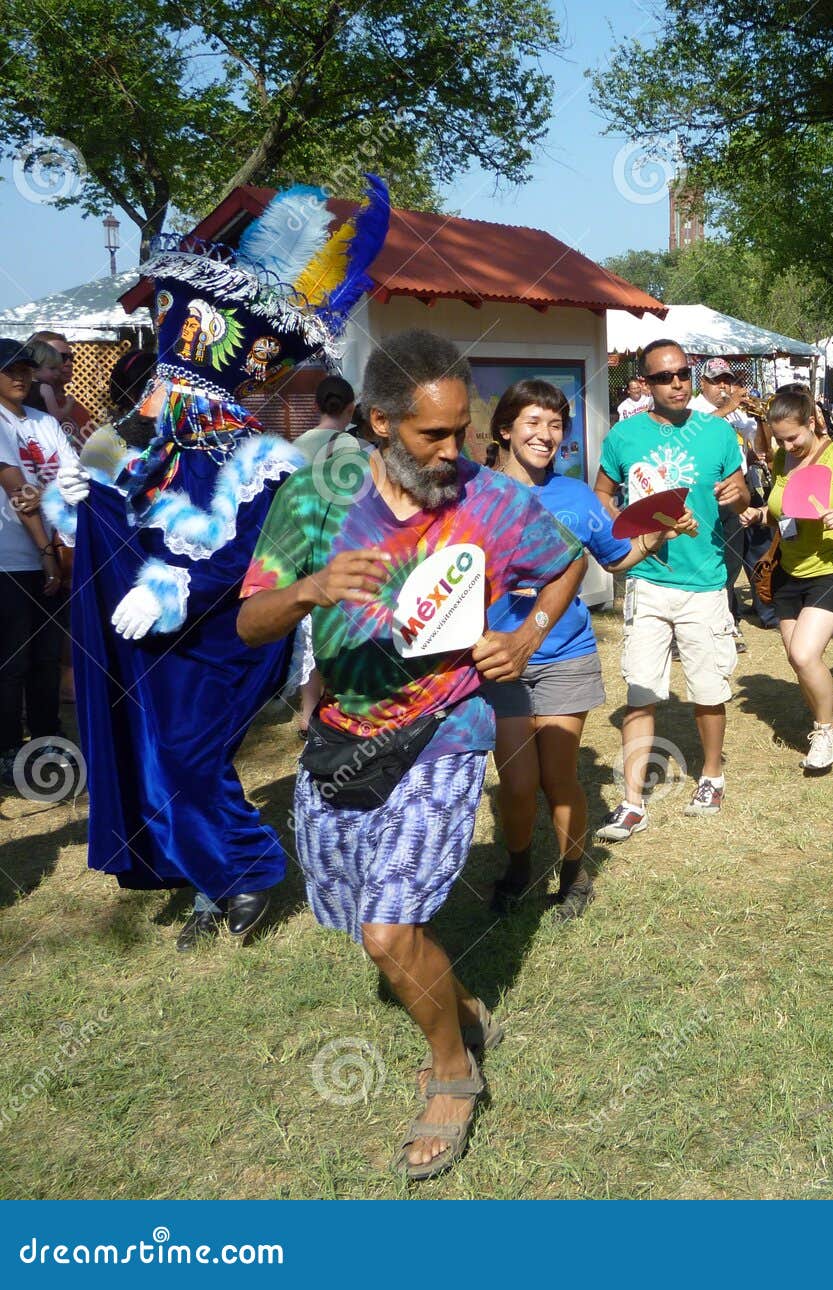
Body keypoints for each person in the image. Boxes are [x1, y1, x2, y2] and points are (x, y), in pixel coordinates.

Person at [239, 329, 584, 1181]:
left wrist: (528, 631)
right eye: (433, 434)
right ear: (380, 423)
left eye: (463, 430)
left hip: (449, 728)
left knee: (388, 935)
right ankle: (464, 1011)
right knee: (369, 927)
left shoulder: (491, 500)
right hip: (347, 740)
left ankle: (453, 1076)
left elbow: (566, 563)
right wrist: (312, 589)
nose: (455, 450)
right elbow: (250, 621)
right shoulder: (319, 493)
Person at [45, 177, 391, 952]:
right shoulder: (139, 433)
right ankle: (210, 872)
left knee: (185, 753)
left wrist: (171, 585)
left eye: (172, 380)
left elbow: (240, 556)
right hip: (145, 631)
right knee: (154, 750)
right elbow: (102, 500)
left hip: (223, 634)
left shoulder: (257, 459)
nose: (156, 392)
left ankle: (247, 867)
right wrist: (82, 497)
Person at [482, 378, 694, 918]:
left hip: (565, 654)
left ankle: (575, 876)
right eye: (533, 422)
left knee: (558, 776)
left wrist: (658, 535)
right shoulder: (476, 493)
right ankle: (520, 864)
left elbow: (615, 558)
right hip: (498, 658)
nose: (545, 434)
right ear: (505, 429)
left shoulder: (577, 495)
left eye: (556, 426)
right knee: (518, 781)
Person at [592, 338, 749, 838]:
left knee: (708, 688)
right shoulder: (624, 436)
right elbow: (602, 492)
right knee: (641, 691)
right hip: (647, 579)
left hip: (704, 579)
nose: (677, 383)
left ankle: (711, 774)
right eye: (664, 377)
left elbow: (741, 491)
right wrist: (625, 531)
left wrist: (737, 492)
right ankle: (632, 801)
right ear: (645, 383)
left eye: (684, 373)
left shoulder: (718, 432)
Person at [740, 384, 833, 772]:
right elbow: (784, 510)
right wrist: (760, 514)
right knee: (800, 662)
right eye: (780, 439)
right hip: (788, 571)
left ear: (812, 422)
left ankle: (825, 731)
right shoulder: (783, 459)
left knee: (804, 653)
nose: (787, 445)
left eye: (793, 436)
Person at [0, 338, 74, 779]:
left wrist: (45, 498)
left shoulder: (45, 422)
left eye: (25, 369)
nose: (20, 377)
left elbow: (74, 477)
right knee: (12, 660)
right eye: (10, 370)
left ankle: (49, 739)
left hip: (53, 555)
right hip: (9, 560)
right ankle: (8, 748)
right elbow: (17, 492)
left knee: (47, 657)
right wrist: (46, 551)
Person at [286, 374, 366, 735]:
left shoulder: (292, 449)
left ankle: (307, 711)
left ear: (317, 406)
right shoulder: (360, 448)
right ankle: (343, 703)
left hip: (304, 550)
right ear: (351, 408)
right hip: (347, 547)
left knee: (308, 632)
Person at [690, 357, 775, 636]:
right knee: (723, 560)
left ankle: (765, 610)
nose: (723, 386)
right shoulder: (695, 409)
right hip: (713, 496)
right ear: (702, 383)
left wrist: (762, 420)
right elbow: (694, 435)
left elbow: (761, 448)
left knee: (752, 554)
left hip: (745, 489)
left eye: (727, 380)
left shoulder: (739, 413)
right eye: (716, 381)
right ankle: (724, 623)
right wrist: (729, 408)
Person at [23, 331, 93, 448]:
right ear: (34, 361)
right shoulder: (16, 406)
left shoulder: (77, 408)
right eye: (61, 357)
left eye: (71, 357)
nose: (69, 363)